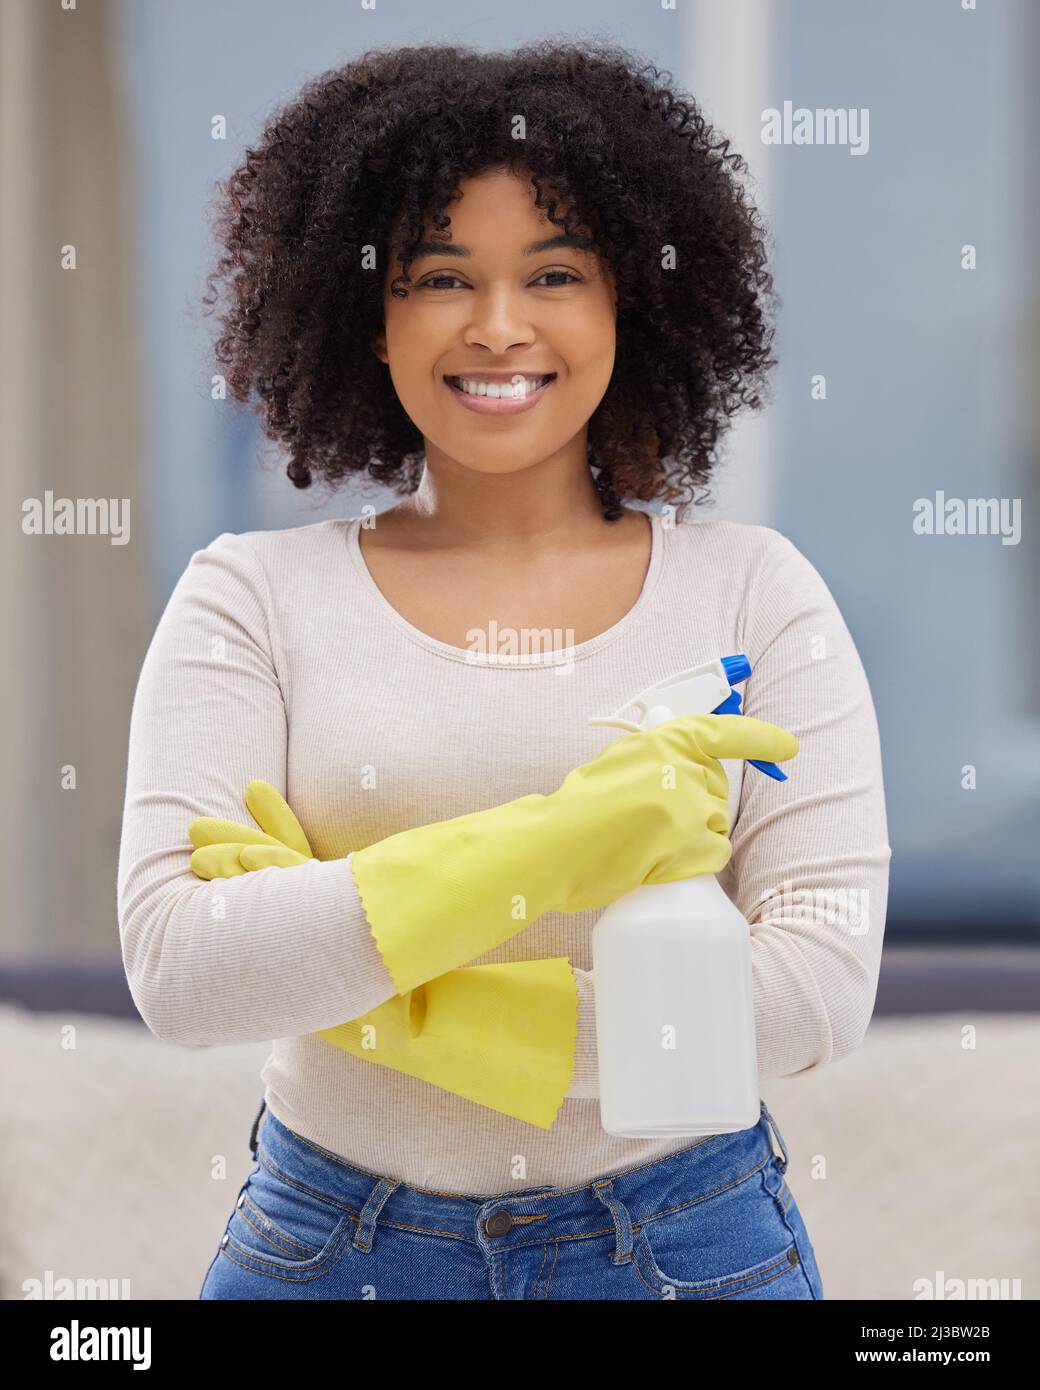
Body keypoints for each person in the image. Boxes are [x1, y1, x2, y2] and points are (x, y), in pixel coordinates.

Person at [117, 40, 890, 1300]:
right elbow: (186, 970)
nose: (497, 326)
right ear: (365, 315)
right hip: (327, 1246)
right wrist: (558, 843)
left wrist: (377, 993)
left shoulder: (753, 590)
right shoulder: (249, 599)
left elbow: (809, 990)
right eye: (437, 276)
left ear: (625, 303)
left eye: (554, 273)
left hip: (682, 1245)